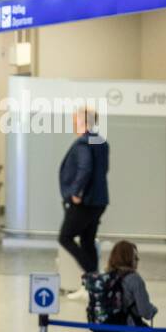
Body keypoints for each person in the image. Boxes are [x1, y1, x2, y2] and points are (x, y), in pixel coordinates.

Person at [58, 106, 109, 286]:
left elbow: (85, 168)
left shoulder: (83, 142)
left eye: (74, 120)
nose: (73, 123)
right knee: (87, 240)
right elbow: (103, 169)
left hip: (85, 201)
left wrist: (76, 192)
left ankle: (94, 276)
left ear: (82, 121)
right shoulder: (100, 141)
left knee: (65, 237)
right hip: (99, 201)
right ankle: (94, 286)